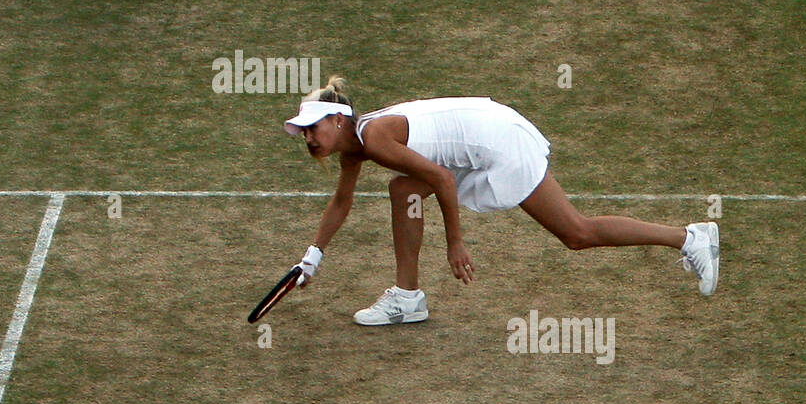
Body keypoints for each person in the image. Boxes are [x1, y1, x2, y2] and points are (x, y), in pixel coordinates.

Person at [283, 77, 720, 326]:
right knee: (404, 190)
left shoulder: (374, 138)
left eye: (312, 128)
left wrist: (455, 242)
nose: (307, 138)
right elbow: (342, 203)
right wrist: (311, 258)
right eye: (303, 132)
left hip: (498, 143)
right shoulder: (357, 145)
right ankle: (408, 297)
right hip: (483, 135)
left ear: (338, 120)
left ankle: (688, 238)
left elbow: (442, 179)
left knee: (576, 233)